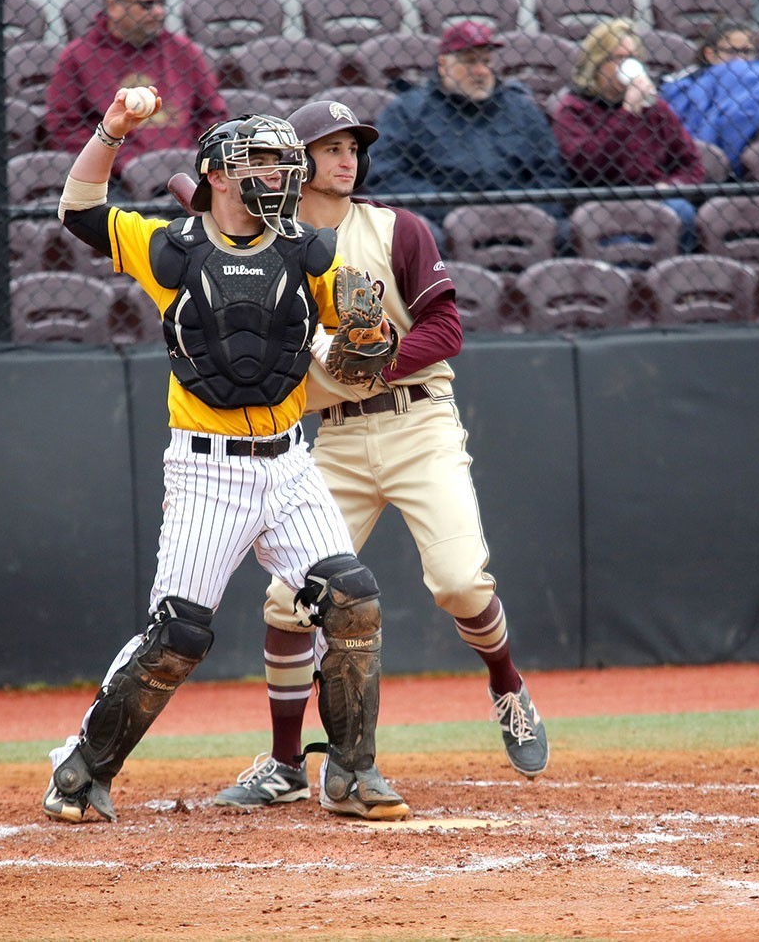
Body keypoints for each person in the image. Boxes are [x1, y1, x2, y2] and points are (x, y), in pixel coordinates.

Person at [41, 92, 409, 823]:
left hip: (289, 463)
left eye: (284, 164)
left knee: (354, 599)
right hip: (209, 470)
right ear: (216, 175)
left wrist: (369, 341)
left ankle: (351, 771)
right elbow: (78, 209)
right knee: (177, 635)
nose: (279, 177)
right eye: (262, 164)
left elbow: (364, 353)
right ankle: (82, 771)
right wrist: (112, 131)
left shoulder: (311, 253)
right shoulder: (171, 250)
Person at [212, 99, 550, 810]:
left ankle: (505, 680)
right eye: (330, 147)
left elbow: (448, 326)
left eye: (353, 147)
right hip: (333, 438)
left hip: (418, 424)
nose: (347, 158)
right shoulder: (270, 248)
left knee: (460, 582)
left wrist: (383, 357)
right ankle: (283, 763)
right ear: (299, 163)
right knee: (287, 599)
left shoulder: (397, 228)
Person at [369, 21, 570, 251]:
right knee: (421, 236)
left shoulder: (522, 109)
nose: (481, 71)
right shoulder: (408, 111)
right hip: (443, 224)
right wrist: (452, 212)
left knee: (567, 233)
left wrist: (524, 212)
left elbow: (550, 174)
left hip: (520, 220)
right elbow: (386, 176)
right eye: (470, 61)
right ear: (443, 65)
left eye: (486, 61)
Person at [45, 0, 227, 175]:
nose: (159, 12)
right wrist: (124, 163)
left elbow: (213, 116)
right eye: (147, 5)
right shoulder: (78, 57)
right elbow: (64, 127)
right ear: (114, 7)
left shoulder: (185, 52)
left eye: (162, 3)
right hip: (115, 180)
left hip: (186, 173)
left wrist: (190, 159)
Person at [552, 19, 705, 251]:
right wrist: (628, 113)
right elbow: (588, 165)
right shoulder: (574, 108)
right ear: (597, 64)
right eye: (619, 58)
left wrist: (672, 185)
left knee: (681, 211)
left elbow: (692, 164)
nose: (629, 65)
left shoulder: (655, 108)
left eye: (633, 58)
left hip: (653, 199)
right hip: (602, 203)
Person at [659, 19, 759, 180]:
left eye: (746, 52)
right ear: (711, 54)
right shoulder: (692, 79)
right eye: (732, 52)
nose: (740, 60)